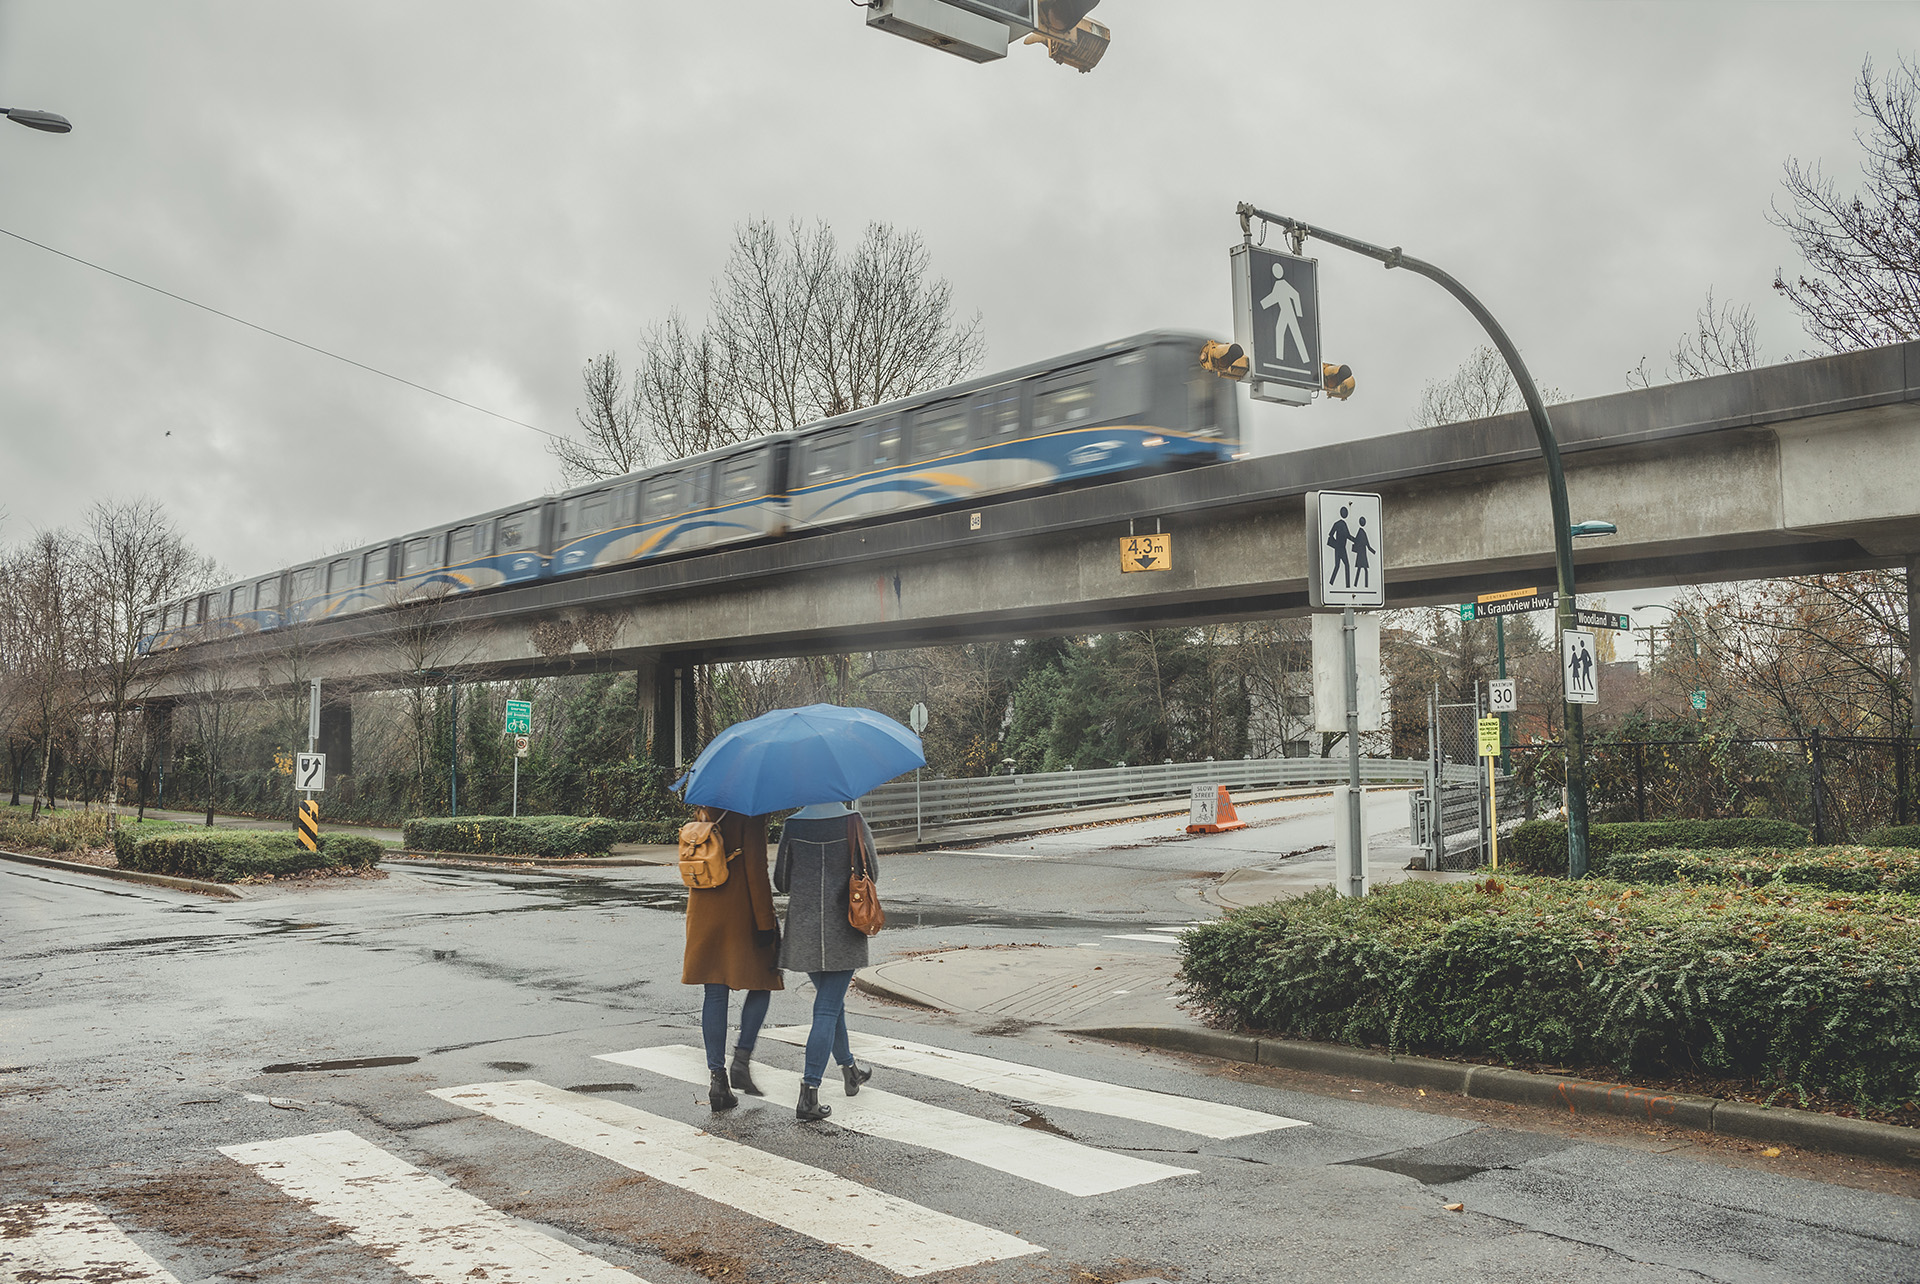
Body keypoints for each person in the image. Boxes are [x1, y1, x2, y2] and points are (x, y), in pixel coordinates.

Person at [773, 800, 876, 1122]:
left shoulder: (793, 825)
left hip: (804, 931)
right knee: (827, 1009)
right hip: (843, 930)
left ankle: (850, 1071)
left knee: (831, 1005)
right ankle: (809, 1092)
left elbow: (781, 882)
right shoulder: (853, 822)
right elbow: (872, 872)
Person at [681, 807, 782, 1113]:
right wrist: (766, 922)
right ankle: (741, 1059)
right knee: (764, 980)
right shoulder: (751, 811)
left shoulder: (705, 804)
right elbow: (756, 868)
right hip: (741, 910)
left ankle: (717, 1080)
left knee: (714, 991)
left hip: (703, 908)